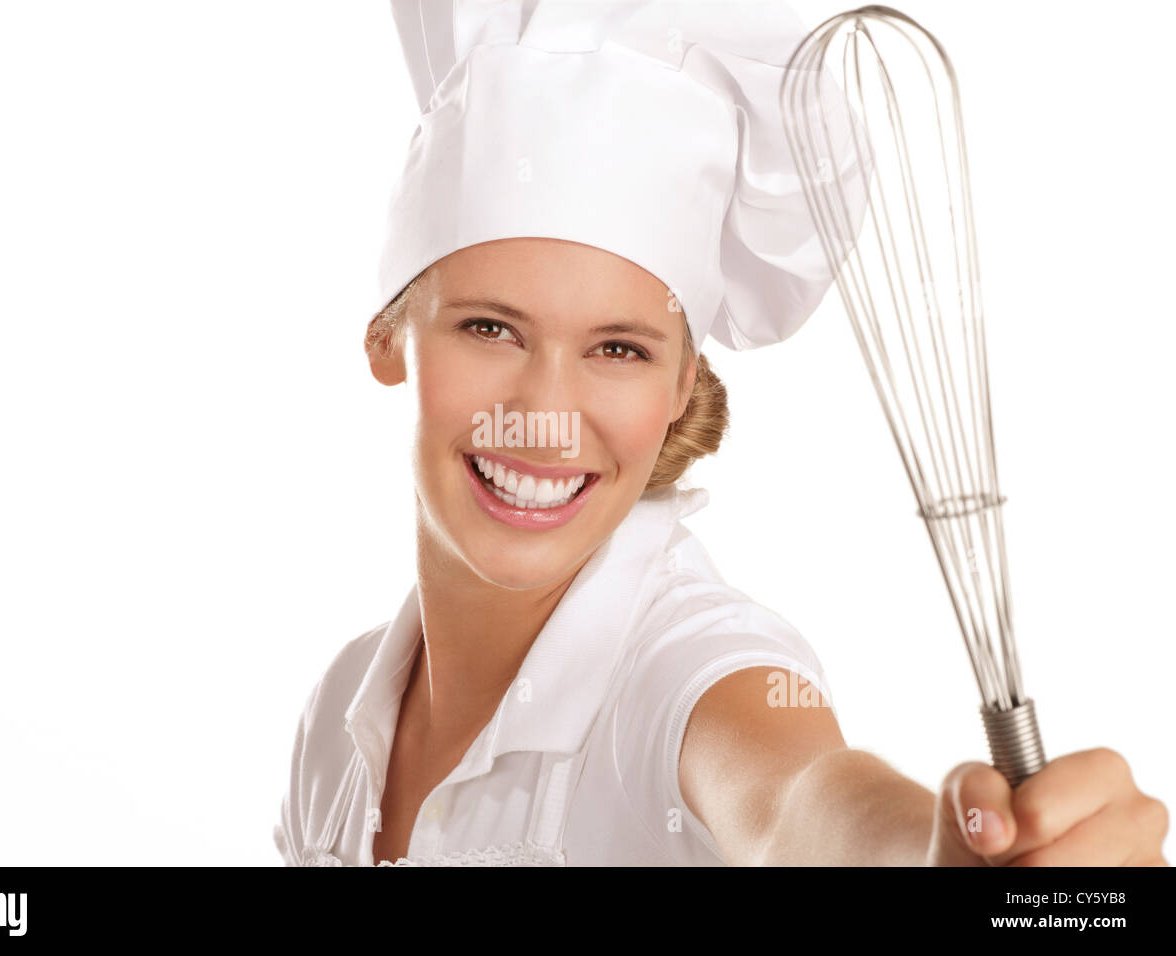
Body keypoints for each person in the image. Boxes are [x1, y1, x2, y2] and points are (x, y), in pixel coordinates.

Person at [273, 0, 1168, 866]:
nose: (546, 414)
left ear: (680, 384)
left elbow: (799, 803)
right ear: (388, 335)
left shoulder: (692, 677)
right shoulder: (341, 714)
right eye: (490, 329)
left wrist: (935, 855)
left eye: (618, 348)